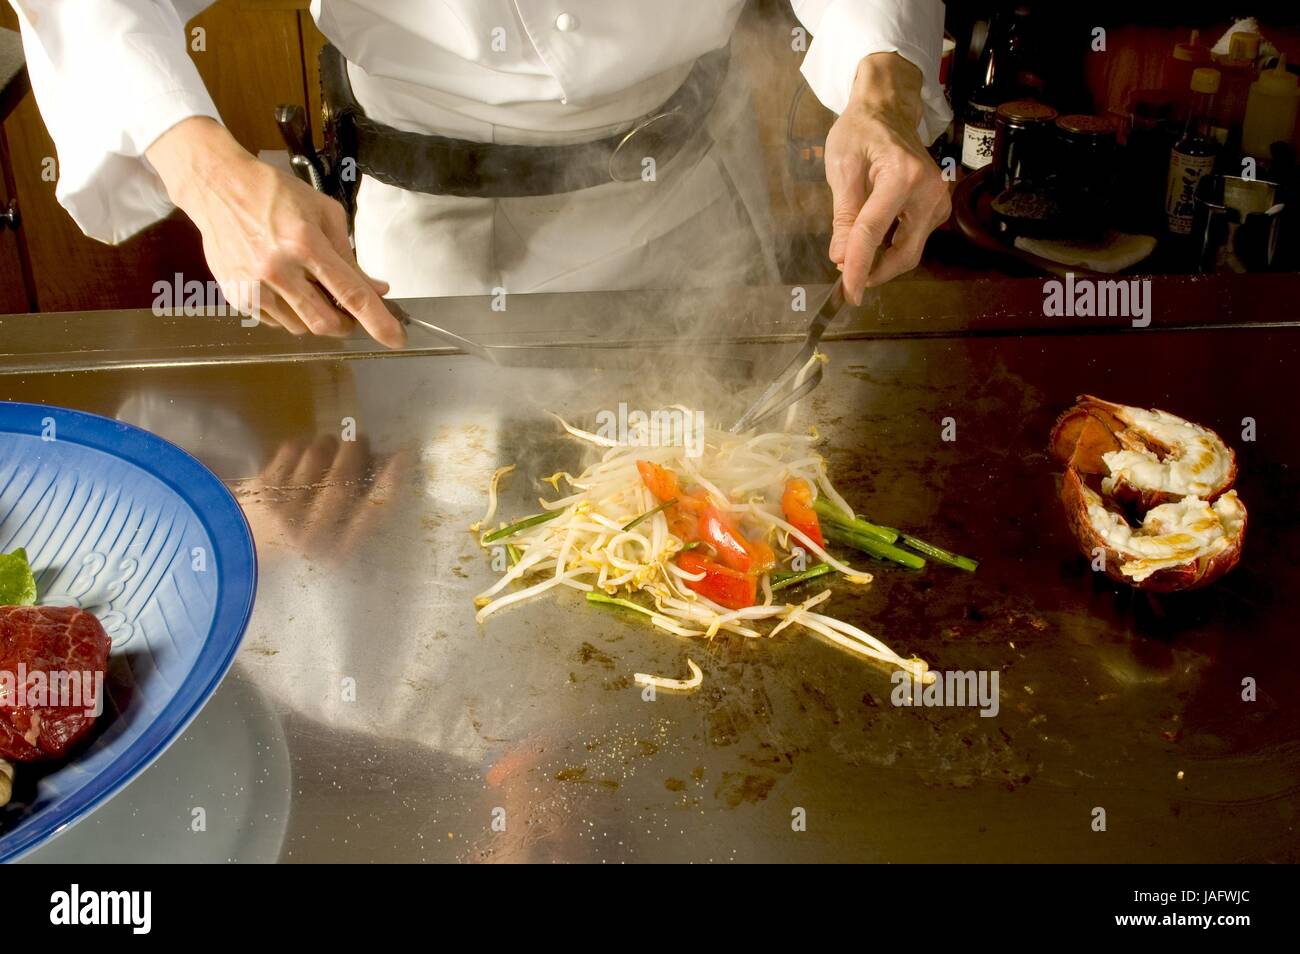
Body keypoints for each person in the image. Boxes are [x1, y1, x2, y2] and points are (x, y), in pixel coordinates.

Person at [11, 1, 952, 348]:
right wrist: (212, 181)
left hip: (692, 197)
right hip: (430, 247)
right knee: (471, 598)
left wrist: (883, 83)